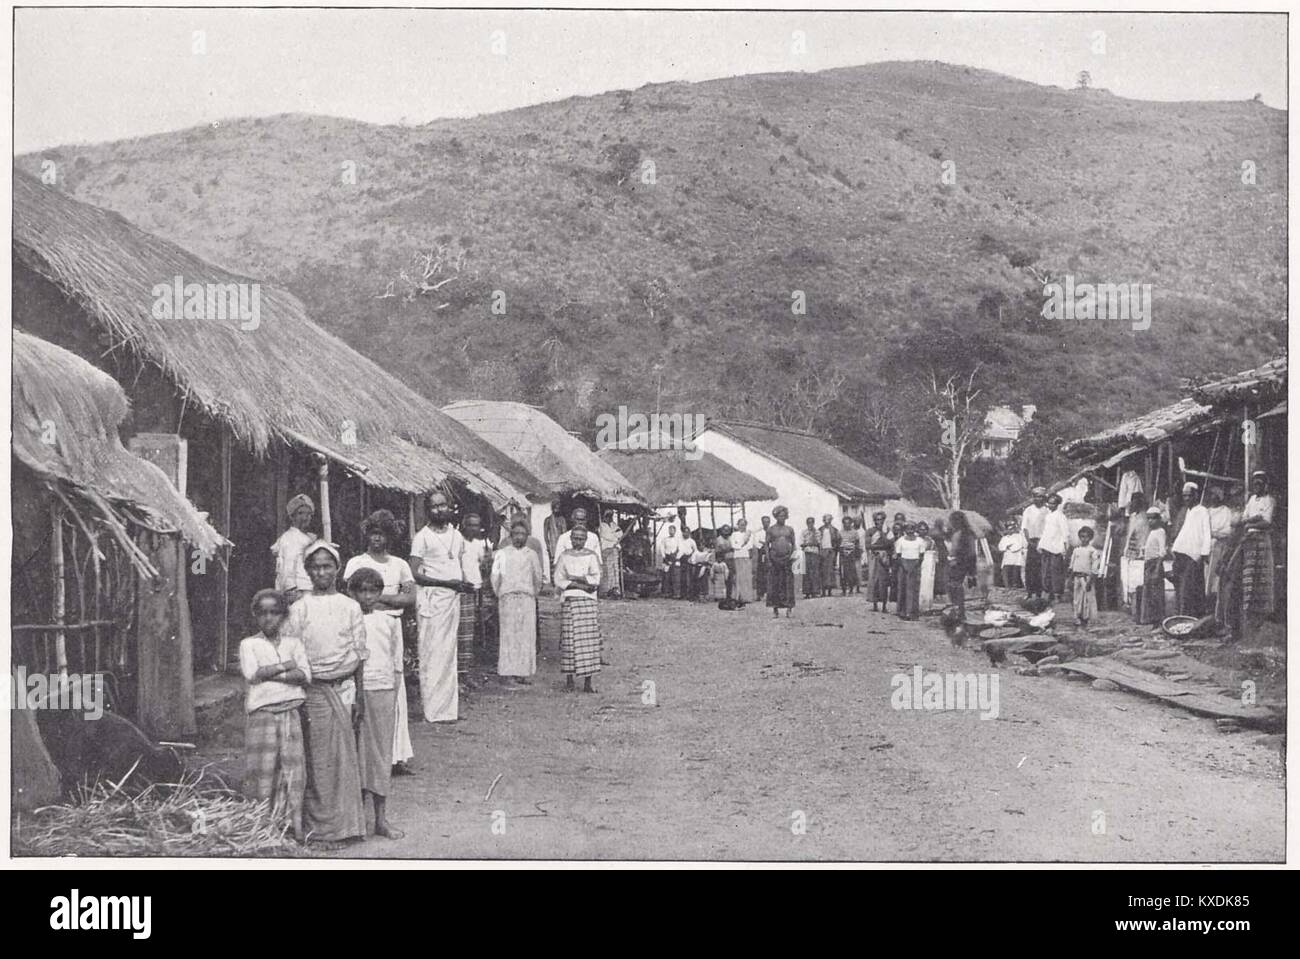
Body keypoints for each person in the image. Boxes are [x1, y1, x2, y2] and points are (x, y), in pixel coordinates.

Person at [284, 541, 367, 844]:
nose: (321, 572)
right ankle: (318, 828)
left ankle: (345, 827)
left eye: (327, 566)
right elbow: (293, 654)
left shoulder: (351, 607)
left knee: (344, 761)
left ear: (337, 569)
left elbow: (359, 655)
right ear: (308, 571)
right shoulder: (298, 609)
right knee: (318, 761)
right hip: (313, 692)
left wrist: (359, 697)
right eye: (315, 567)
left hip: (344, 689)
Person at [343, 510, 416, 775]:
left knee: (393, 685)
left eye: (382, 534)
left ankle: (394, 756)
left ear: (389, 537)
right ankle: (362, 756)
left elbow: (409, 599)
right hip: (363, 625)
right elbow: (351, 597)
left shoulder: (399, 565)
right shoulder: (355, 563)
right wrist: (388, 598)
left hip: (391, 627)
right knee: (363, 684)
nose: (377, 539)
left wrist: (381, 600)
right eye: (373, 533)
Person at [240, 589, 310, 842]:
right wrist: (285, 666)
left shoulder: (294, 643)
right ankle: (258, 827)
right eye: (263, 613)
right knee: (262, 770)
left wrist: (270, 672)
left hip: (291, 711)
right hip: (263, 714)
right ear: (255, 616)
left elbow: (305, 676)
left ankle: (293, 828)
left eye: (274, 612)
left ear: (283, 615)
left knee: (292, 769)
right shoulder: (249, 644)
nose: (268, 618)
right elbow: (252, 674)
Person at [348, 567, 403, 840]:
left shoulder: (390, 621)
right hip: (355, 693)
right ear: (353, 592)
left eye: (373, 591)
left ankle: (381, 819)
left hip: (383, 691)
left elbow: (396, 662)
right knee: (357, 755)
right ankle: (357, 821)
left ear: (380, 593)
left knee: (381, 756)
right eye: (362, 591)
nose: (367, 596)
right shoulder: (348, 619)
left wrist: (394, 695)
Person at [409, 492, 468, 723]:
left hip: (452, 600)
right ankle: (432, 711)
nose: (439, 510)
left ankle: (448, 710)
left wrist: (460, 584)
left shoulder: (457, 535)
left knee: (448, 653)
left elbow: (458, 563)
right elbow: (414, 573)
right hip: (433, 600)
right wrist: (446, 583)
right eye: (434, 507)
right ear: (428, 510)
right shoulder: (422, 537)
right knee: (432, 652)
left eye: (443, 505)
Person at [491, 517, 544, 682]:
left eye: (522, 534)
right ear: (510, 535)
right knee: (509, 635)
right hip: (507, 598)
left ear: (527, 535)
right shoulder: (502, 553)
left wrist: (532, 593)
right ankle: (508, 673)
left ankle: (523, 673)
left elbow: (538, 578)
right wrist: (501, 593)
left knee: (526, 636)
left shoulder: (532, 554)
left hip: (526, 598)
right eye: (516, 534)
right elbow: (495, 576)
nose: (519, 537)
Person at [554, 526, 602, 692]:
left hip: (587, 601)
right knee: (570, 640)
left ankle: (588, 683)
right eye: (575, 538)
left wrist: (579, 578)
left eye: (581, 538)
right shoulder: (564, 556)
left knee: (588, 642)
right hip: (570, 599)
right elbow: (559, 579)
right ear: (571, 539)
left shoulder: (591, 556)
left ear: (586, 539)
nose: (578, 541)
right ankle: (569, 680)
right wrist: (574, 583)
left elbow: (596, 578)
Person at [1235, 470, 1277, 630]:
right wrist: (1254, 519)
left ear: (1265, 484)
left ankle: (1262, 616)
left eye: (1260, 483)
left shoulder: (1270, 500)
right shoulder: (1252, 499)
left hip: (1262, 540)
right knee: (1249, 577)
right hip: (1250, 540)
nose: (1257, 486)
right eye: (1255, 483)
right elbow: (1243, 518)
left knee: (1262, 577)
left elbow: (1267, 522)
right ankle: (1250, 615)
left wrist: (1250, 523)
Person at [1170, 481, 1211, 616]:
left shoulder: (1202, 511)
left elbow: (1206, 533)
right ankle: (1181, 616)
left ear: (1196, 495)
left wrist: (1204, 553)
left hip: (1194, 555)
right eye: (1184, 496)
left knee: (1191, 588)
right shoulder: (1187, 511)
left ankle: (1191, 617)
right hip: (1181, 553)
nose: (1186, 499)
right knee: (1181, 588)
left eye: (1189, 496)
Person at [459, 512, 491, 677]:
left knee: (471, 632)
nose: (474, 528)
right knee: (461, 632)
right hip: (461, 590)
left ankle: (466, 671)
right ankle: (460, 673)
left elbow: (482, 566)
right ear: (464, 525)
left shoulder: (479, 544)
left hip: (475, 590)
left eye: (477, 525)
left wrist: (487, 561)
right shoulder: (458, 542)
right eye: (470, 525)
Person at [272, 493, 317, 604]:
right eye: (300, 513)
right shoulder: (289, 538)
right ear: (292, 516)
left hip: (311, 591)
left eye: (308, 514)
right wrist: (291, 590)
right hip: (298, 592)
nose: (305, 518)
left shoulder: (308, 539)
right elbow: (287, 568)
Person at [947, 511, 978, 643]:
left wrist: (971, 572)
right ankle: (957, 613)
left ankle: (960, 616)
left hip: (962, 563)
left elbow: (971, 553)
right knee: (953, 588)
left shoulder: (967, 534)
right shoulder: (956, 533)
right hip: (955, 563)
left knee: (956, 587)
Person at [1204, 486, 1236, 615]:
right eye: (1210, 495)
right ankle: (1206, 604)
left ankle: (1215, 607)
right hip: (1207, 546)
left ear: (1219, 497)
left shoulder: (1226, 511)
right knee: (1206, 576)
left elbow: (1228, 531)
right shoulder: (1206, 511)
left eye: (1214, 495)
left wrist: (1215, 534)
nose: (1212, 497)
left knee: (1216, 577)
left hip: (1220, 546)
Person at [1137, 506, 1168, 627]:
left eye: (1153, 519)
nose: (1150, 521)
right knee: (1149, 593)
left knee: (1156, 593)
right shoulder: (1152, 532)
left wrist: (1156, 569)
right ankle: (1151, 619)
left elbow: (1162, 552)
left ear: (1158, 519)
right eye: (1148, 519)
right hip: (1148, 564)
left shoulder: (1161, 531)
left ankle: (1159, 620)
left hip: (1155, 564)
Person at [765, 505, 797, 617]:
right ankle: (775, 609)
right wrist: (768, 559)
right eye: (780, 516)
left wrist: (792, 556)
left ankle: (789, 609)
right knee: (775, 584)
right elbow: (766, 545)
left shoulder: (789, 529)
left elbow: (794, 544)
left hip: (787, 559)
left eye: (784, 516)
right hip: (774, 559)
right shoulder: (771, 530)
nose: (782, 518)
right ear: (776, 517)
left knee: (787, 584)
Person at [1038, 493, 1069, 604]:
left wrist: (1065, 548)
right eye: (1049, 503)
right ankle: (1048, 592)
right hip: (1047, 547)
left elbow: (1065, 533)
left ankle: (1057, 595)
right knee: (1046, 572)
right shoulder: (1048, 516)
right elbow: (1045, 532)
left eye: (1053, 503)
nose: (1050, 505)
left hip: (1056, 548)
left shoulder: (1061, 516)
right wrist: (1040, 545)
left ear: (1057, 504)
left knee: (1056, 572)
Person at [1121, 492, 1151, 608]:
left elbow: (1143, 537)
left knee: (1137, 580)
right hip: (1130, 551)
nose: (1131, 503)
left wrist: (1141, 552)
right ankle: (1129, 602)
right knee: (1128, 578)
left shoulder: (1144, 518)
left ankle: (1136, 605)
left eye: (1134, 501)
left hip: (1139, 553)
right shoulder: (1133, 517)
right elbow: (1129, 534)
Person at [1068, 526, 1101, 628]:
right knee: (1077, 599)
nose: (1083, 539)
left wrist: (1090, 581)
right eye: (1081, 536)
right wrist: (1070, 579)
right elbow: (1072, 566)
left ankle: (1087, 619)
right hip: (1076, 577)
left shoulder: (1092, 551)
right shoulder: (1076, 550)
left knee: (1087, 599)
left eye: (1086, 537)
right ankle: (1077, 617)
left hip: (1086, 578)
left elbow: (1094, 568)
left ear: (1090, 538)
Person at [1020, 487, 1049, 600]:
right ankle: (1029, 592)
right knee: (1030, 568)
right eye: (1036, 496)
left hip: (1043, 542)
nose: (1038, 499)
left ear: (1044, 498)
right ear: (1033, 497)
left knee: (1041, 569)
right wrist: (1029, 542)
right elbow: (1025, 528)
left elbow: (1049, 528)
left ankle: (1039, 592)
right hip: (1032, 541)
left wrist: (1043, 542)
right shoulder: (1028, 510)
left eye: (1041, 496)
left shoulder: (1047, 511)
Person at [893, 523, 924, 620]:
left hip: (915, 566)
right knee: (903, 588)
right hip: (903, 565)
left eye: (912, 529)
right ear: (905, 530)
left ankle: (913, 613)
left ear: (915, 530)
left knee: (913, 589)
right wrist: (904, 566)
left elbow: (921, 556)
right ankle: (902, 612)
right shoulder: (900, 540)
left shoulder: (920, 541)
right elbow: (898, 556)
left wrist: (915, 566)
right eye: (908, 529)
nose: (910, 531)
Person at [865, 512, 891, 612]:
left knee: (883, 581)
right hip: (873, 557)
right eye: (876, 520)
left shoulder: (887, 531)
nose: (878, 522)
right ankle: (875, 605)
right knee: (874, 580)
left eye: (880, 519)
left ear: (883, 520)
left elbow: (890, 544)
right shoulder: (870, 531)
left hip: (884, 558)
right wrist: (880, 546)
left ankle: (884, 606)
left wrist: (882, 534)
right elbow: (868, 546)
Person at [598, 510, 624, 598]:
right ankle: (607, 589)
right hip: (607, 549)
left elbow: (621, 533)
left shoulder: (613, 524)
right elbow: (607, 536)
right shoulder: (602, 525)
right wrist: (615, 535)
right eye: (607, 516)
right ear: (604, 517)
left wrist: (614, 535)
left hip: (615, 548)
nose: (609, 518)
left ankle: (615, 588)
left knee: (615, 569)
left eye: (611, 516)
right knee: (608, 570)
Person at [731, 518, 757, 603]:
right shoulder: (734, 534)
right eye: (741, 524)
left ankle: (746, 597)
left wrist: (742, 545)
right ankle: (738, 596)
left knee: (746, 577)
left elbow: (749, 545)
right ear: (738, 525)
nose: (742, 526)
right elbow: (733, 545)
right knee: (738, 576)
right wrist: (740, 545)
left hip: (745, 556)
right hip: (737, 557)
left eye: (744, 525)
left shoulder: (749, 534)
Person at [817, 515, 841, 597]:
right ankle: (823, 591)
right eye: (826, 520)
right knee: (823, 571)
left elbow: (838, 541)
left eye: (829, 520)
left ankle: (830, 591)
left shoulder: (834, 530)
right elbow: (818, 541)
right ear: (823, 521)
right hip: (822, 551)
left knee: (830, 571)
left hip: (831, 551)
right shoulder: (820, 530)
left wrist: (834, 550)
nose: (827, 521)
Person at [998, 521, 1026, 589]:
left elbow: (1021, 545)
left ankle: (1015, 585)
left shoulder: (1019, 536)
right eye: (1009, 529)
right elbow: (1000, 547)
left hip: (1016, 557)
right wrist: (1006, 547)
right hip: (1007, 557)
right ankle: (1007, 586)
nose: (1011, 530)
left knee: (1015, 572)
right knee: (1006, 571)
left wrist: (1011, 548)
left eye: (1012, 528)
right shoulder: (1005, 538)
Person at [916, 521, 936, 611]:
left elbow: (935, 552)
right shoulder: (915, 540)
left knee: (927, 582)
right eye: (920, 529)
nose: (922, 531)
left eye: (924, 530)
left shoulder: (930, 541)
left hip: (928, 563)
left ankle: (926, 605)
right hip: (917, 562)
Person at [838, 517, 861, 595]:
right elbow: (838, 543)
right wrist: (842, 551)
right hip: (843, 553)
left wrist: (854, 551)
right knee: (843, 571)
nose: (846, 525)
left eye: (848, 523)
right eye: (845, 523)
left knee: (851, 571)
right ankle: (844, 589)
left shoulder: (854, 532)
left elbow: (857, 543)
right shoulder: (840, 532)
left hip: (851, 553)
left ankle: (851, 588)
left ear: (851, 523)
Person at [660, 523, 683, 598]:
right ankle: (666, 592)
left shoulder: (678, 540)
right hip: (667, 558)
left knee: (675, 576)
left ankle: (675, 593)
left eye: (672, 530)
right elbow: (662, 549)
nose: (671, 531)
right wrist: (665, 558)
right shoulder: (665, 539)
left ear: (675, 531)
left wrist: (677, 557)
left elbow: (680, 550)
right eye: (670, 530)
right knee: (666, 576)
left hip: (674, 558)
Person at [800, 518, 821, 598]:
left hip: (815, 553)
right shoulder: (804, 532)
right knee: (806, 573)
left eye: (812, 523)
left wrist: (808, 543)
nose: (810, 524)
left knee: (815, 572)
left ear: (814, 523)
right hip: (807, 553)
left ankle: (815, 591)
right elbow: (801, 543)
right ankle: (807, 592)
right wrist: (809, 543)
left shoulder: (817, 532)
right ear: (807, 523)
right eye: (809, 523)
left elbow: (818, 542)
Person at [754, 515, 771, 599]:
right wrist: (764, 544)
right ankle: (760, 593)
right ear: (762, 522)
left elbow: (773, 542)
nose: (766, 523)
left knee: (771, 573)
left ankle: (770, 593)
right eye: (764, 522)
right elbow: (756, 543)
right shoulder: (759, 533)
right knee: (761, 573)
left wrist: (766, 544)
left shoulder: (772, 531)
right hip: (762, 553)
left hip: (771, 553)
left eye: (767, 522)